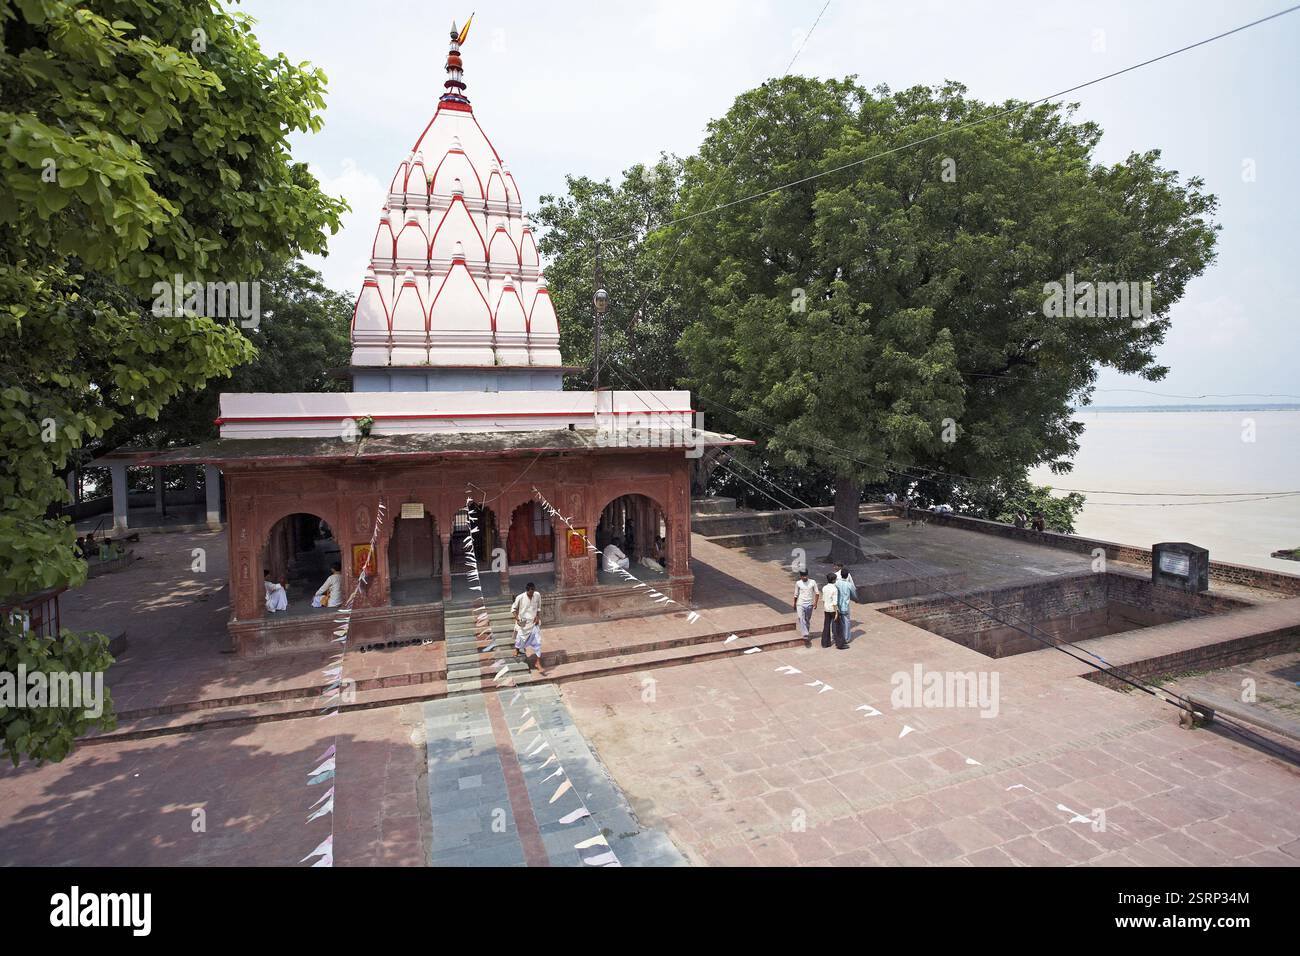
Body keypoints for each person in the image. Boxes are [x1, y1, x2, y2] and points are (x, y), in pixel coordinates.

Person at [511, 581, 546, 674]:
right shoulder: (520, 597)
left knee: (538, 642)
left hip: (534, 623)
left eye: (533, 591)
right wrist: (517, 619)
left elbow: (539, 608)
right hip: (524, 623)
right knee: (520, 638)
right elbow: (513, 609)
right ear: (527, 591)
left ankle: (538, 663)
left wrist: (538, 617)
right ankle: (517, 649)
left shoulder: (537, 595)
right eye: (530, 592)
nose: (532, 593)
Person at [793, 569, 818, 648]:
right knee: (801, 618)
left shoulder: (812, 582)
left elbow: (817, 593)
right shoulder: (798, 583)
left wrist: (815, 603)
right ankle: (805, 634)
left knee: (807, 619)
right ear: (800, 576)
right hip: (800, 603)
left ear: (807, 575)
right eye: (803, 576)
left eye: (805, 575)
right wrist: (794, 603)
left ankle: (806, 633)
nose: (804, 577)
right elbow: (796, 594)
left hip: (809, 604)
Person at [820, 572, 846, 649]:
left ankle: (825, 643)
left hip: (826, 609)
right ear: (833, 580)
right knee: (837, 627)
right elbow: (835, 602)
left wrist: (825, 607)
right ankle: (840, 644)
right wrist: (837, 612)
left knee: (826, 625)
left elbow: (824, 599)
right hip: (833, 609)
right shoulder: (834, 589)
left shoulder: (824, 588)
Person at [835, 564, 858, 645]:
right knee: (847, 622)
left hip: (838, 605)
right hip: (846, 605)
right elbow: (854, 594)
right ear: (847, 575)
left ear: (841, 575)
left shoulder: (837, 583)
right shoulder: (849, 585)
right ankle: (846, 638)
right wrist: (856, 600)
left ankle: (839, 636)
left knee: (840, 621)